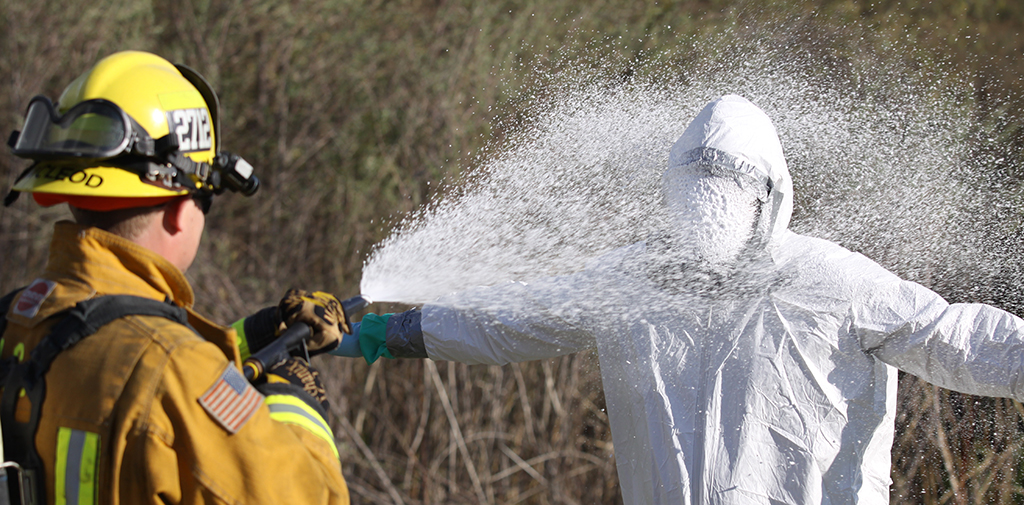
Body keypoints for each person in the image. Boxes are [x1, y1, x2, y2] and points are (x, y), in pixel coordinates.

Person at [337, 94, 1024, 504]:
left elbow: (955, 337)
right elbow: (504, 320)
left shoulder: (835, 281)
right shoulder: (631, 281)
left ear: (768, 198)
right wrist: (371, 332)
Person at [0, 51, 349, 504]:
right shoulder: (176, 371)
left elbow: (123, 345)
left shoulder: (18, 322)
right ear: (183, 212)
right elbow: (315, 497)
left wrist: (256, 334)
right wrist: (295, 399)